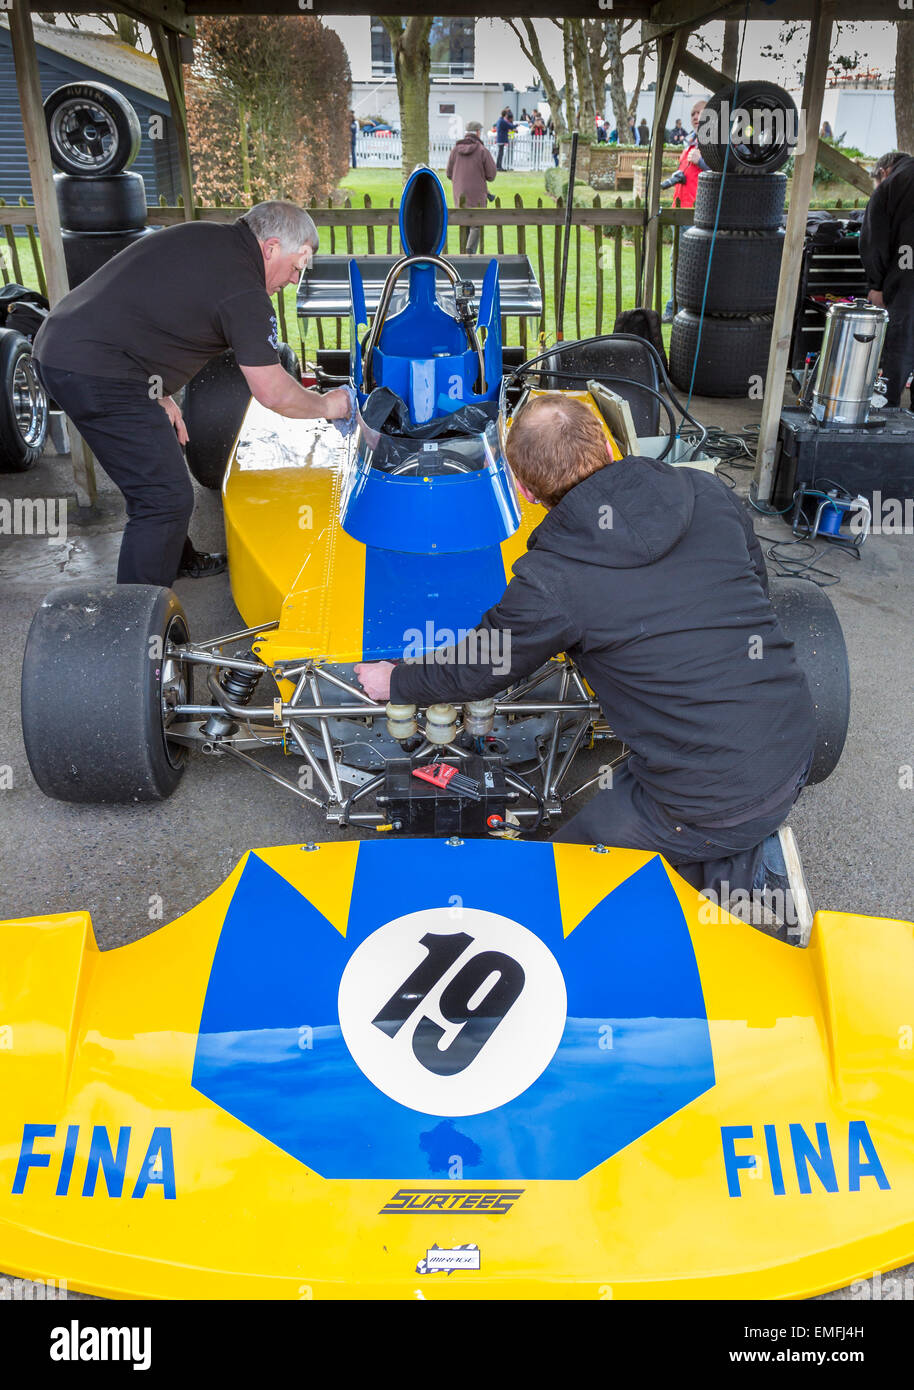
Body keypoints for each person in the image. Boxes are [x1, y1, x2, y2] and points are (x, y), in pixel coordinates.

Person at [354, 393, 815, 904]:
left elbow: (479, 668)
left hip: (710, 799)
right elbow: (757, 583)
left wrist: (392, 679)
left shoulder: (553, 580)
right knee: (632, 787)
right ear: (610, 449)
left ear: (526, 492)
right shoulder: (704, 490)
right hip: (794, 742)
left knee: (555, 886)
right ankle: (727, 842)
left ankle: (738, 872)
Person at [32, 201, 351, 587]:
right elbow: (272, 390)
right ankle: (136, 624)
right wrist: (327, 404)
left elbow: (148, 305)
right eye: (297, 267)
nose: (293, 281)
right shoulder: (245, 290)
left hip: (64, 348)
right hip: (97, 370)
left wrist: (159, 390)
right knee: (164, 499)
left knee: (156, 462)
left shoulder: (203, 236)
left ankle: (175, 557)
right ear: (270, 248)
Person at [860, 149, 914, 409]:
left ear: (883, 171)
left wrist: (877, 285)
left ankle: (887, 409)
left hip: (906, 280)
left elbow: (873, 242)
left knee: (900, 343)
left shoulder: (889, 187)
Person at [662, 98, 709, 321]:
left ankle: (684, 308)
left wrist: (702, 163)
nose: (696, 116)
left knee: (693, 264)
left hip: (699, 215)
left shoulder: (715, 146)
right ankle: (675, 306)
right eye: (693, 113)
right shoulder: (689, 143)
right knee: (677, 262)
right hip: (680, 212)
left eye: (700, 112)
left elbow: (724, 174)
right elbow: (686, 172)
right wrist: (676, 177)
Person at [446, 120, 496, 254]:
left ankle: (465, 252)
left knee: (464, 223)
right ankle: (470, 251)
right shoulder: (482, 150)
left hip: (460, 193)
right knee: (476, 223)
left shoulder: (455, 150)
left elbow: (449, 174)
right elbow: (491, 175)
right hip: (477, 194)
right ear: (478, 133)